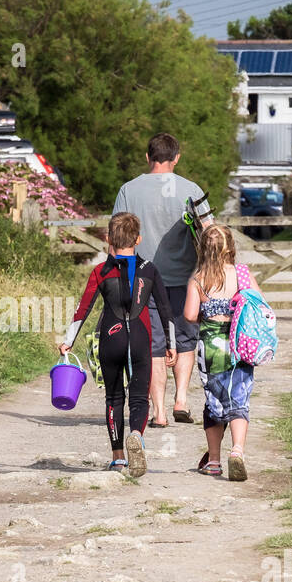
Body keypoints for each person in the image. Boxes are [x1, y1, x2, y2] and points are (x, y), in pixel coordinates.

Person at [59, 213, 176, 477]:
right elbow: (166, 310)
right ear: (138, 239)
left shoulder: (100, 272)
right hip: (140, 337)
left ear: (110, 239)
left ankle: (118, 457)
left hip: (110, 338)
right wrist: (172, 344)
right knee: (138, 396)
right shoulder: (149, 269)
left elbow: (83, 309)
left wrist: (68, 342)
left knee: (113, 397)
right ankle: (136, 434)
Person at [111, 132, 211, 426]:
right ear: (176, 157)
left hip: (141, 280)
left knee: (152, 345)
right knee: (185, 339)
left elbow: (116, 240)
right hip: (183, 279)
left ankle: (159, 412)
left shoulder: (129, 190)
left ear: (147, 156)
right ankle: (181, 398)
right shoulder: (191, 189)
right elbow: (211, 235)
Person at [183, 224, 262, 481]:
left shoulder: (199, 278)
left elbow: (190, 315)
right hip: (239, 344)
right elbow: (259, 303)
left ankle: (214, 461)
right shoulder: (242, 274)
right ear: (230, 246)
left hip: (211, 345)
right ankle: (237, 451)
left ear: (203, 249)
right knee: (239, 396)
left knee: (213, 399)